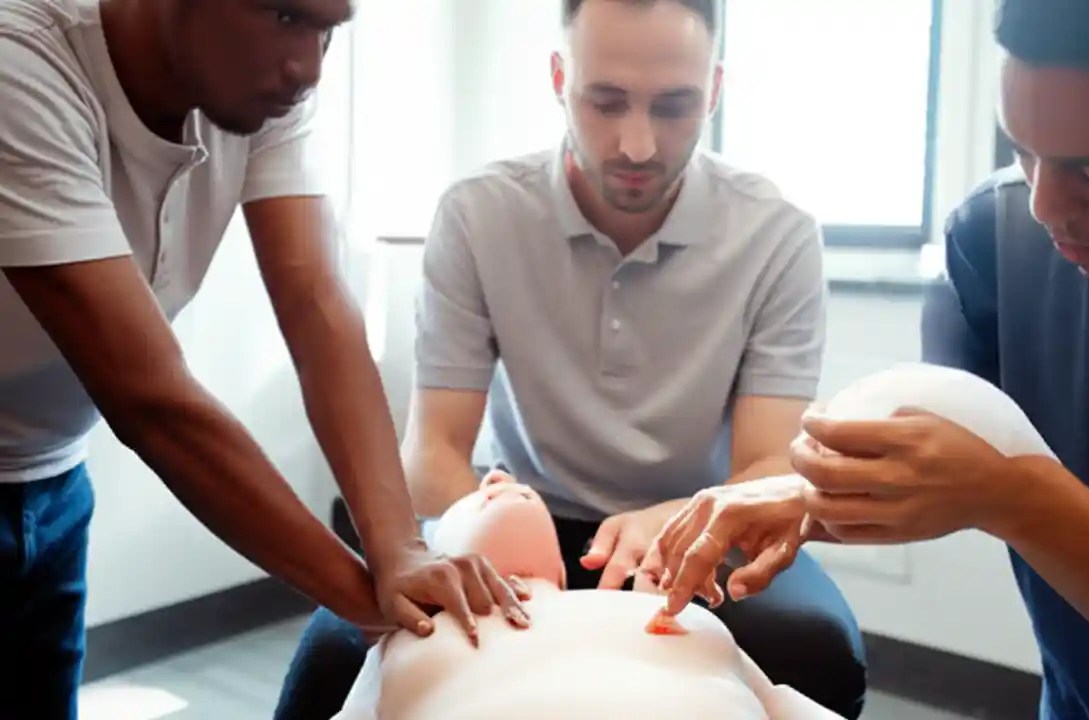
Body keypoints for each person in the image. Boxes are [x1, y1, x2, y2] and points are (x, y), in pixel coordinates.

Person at [649, 1, 1089, 718]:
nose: (1046, 205)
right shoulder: (993, 239)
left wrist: (1019, 497)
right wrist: (810, 491)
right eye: (1023, 150)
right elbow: (940, 457)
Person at [274, 0, 866, 717]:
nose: (638, 145)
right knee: (335, 654)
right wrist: (486, 538)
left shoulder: (779, 236)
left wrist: (677, 520)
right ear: (560, 78)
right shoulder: (478, 215)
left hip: (696, 527)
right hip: (521, 518)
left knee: (817, 647)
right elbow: (432, 451)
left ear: (713, 91)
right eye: (606, 101)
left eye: (674, 106)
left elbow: (770, 466)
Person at [0, 0, 526, 715]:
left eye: (328, 29)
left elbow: (317, 309)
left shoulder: (262, 93)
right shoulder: (20, 63)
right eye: (284, 17)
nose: (307, 66)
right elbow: (151, 402)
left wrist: (401, 551)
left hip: (53, 478)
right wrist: (380, 613)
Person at [330, 469, 845, 720]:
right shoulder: (415, 625)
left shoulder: (658, 603)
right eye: (482, 494)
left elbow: (777, 700)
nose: (496, 477)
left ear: (560, 566)